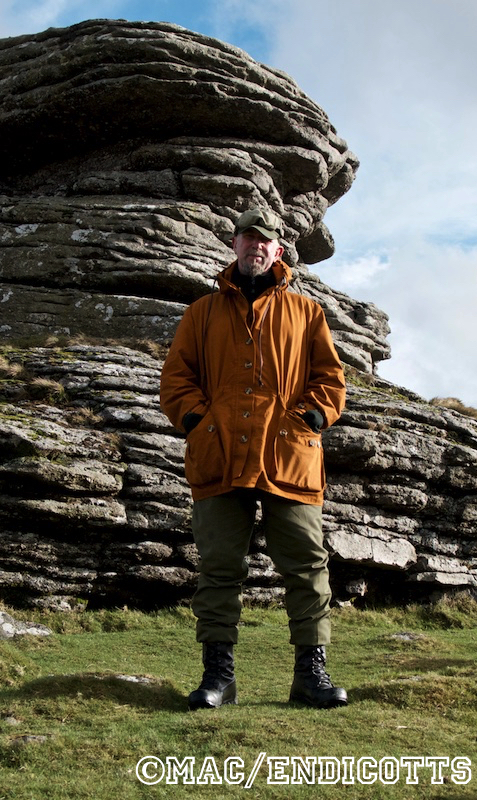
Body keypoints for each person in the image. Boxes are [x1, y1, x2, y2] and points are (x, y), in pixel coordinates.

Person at [160, 208, 348, 711]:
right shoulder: (201, 312)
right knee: (219, 568)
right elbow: (177, 378)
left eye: (265, 241)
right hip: (219, 456)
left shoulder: (308, 313)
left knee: (308, 565)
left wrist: (309, 418)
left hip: (289, 457)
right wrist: (199, 423)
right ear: (235, 244)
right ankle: (218, 677)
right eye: (247, 238)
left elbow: (330, 381)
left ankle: (311, 675)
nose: (255, 247)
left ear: (278, 251)